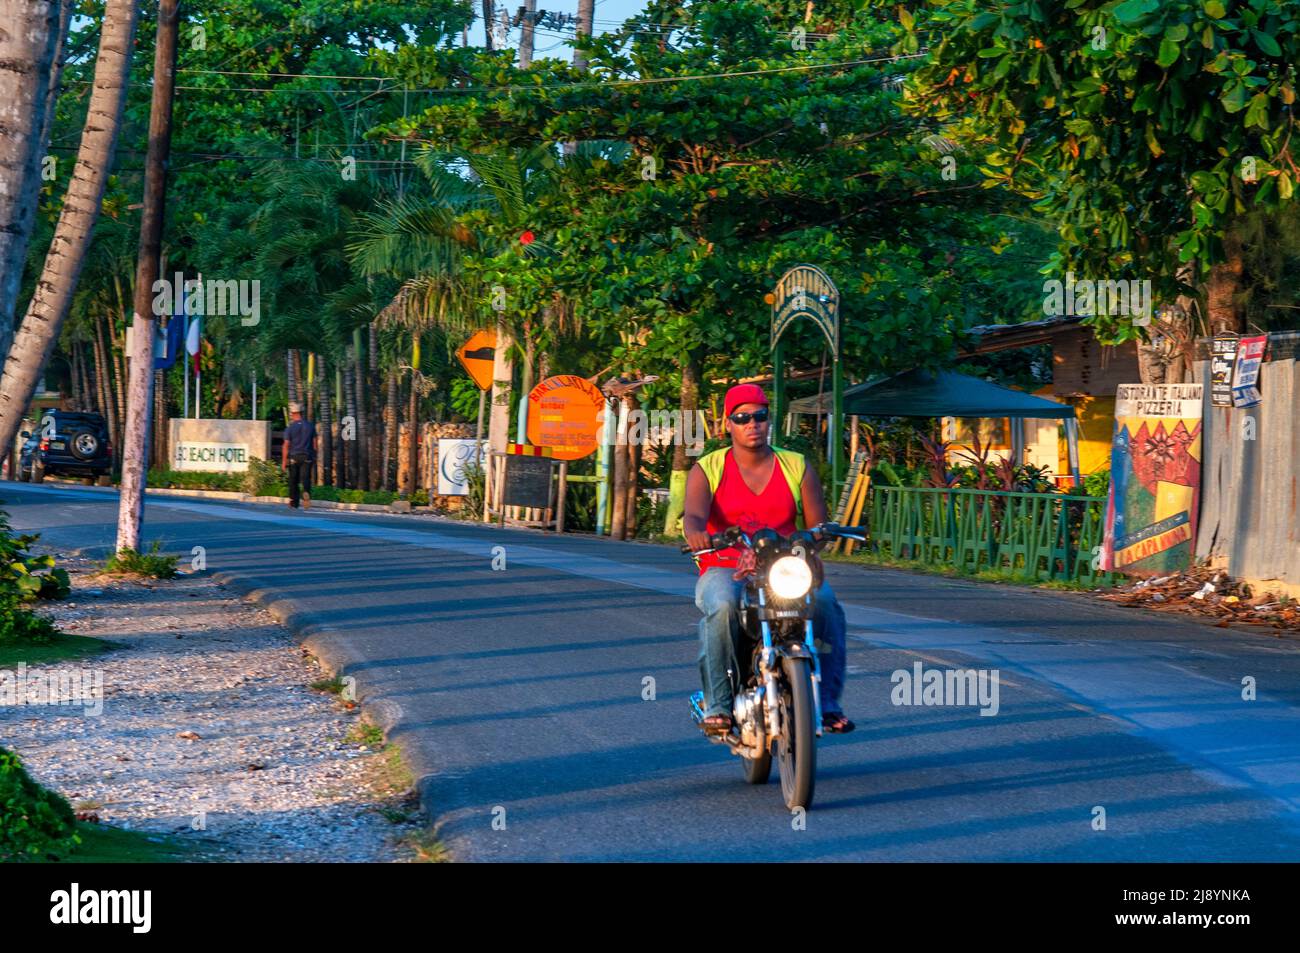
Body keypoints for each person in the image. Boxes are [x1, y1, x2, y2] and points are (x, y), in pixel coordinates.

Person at [683, 383, 854, 736]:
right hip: (725, 567)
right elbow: (693, 519)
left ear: (768, 421)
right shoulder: (708, 468)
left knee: (825, 604)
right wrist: (698, 534)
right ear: (727, 425)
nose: (752, 424)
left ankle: (828, 703)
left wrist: (817, 538)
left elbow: (816, 524)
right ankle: (718, 703)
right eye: (742, 417)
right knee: (724, 606)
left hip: (784, 567)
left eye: (759, 416)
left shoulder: (795, 466)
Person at [281, 401, 317, 510]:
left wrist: (283, 461)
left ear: (293, 414)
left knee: (293, 480)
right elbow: (315, 443)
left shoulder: (290, 428)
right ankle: (306, 492)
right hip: (307, 456)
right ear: (301, 412)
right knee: (306, 477)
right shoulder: (310, 426)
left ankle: (293, 501)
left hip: (294, 457)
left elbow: (286, 445)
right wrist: (314, 456)